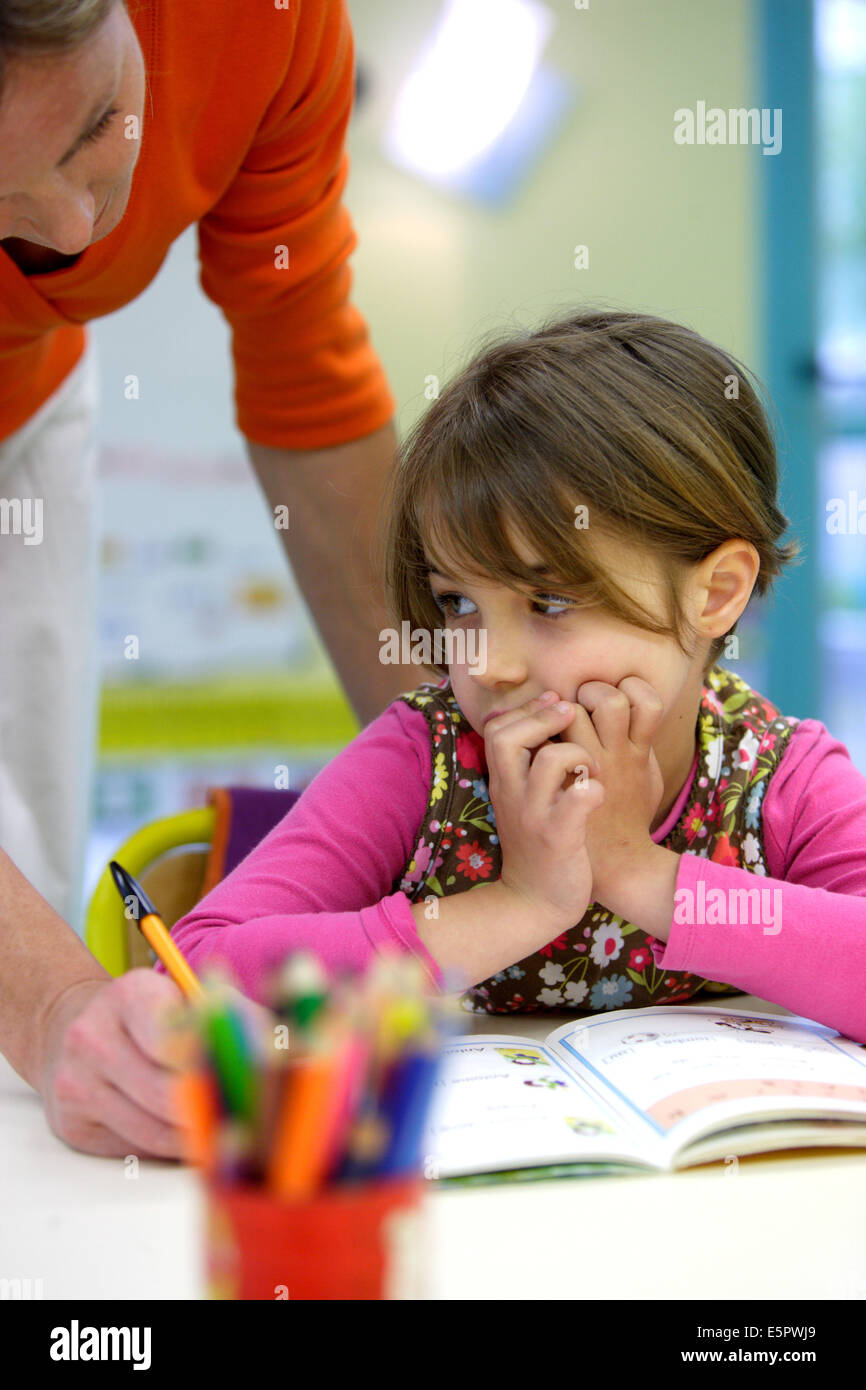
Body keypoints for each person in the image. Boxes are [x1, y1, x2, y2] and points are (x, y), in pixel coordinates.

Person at [162, 308, 866, 1045]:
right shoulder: (423, 759)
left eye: (551, 600)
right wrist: (521, 902)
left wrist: (635, 870)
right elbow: (195, 973)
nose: (486, 665)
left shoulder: (780, 777)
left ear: (715, 593)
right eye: (457, 602)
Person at [0, 0, 422, 1157]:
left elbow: (304, 365)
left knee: (30, 862)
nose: (78, 229)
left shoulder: (260, 18)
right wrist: (49, 1006)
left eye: (95, 132)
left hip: (24, 407)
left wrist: (452, 755)